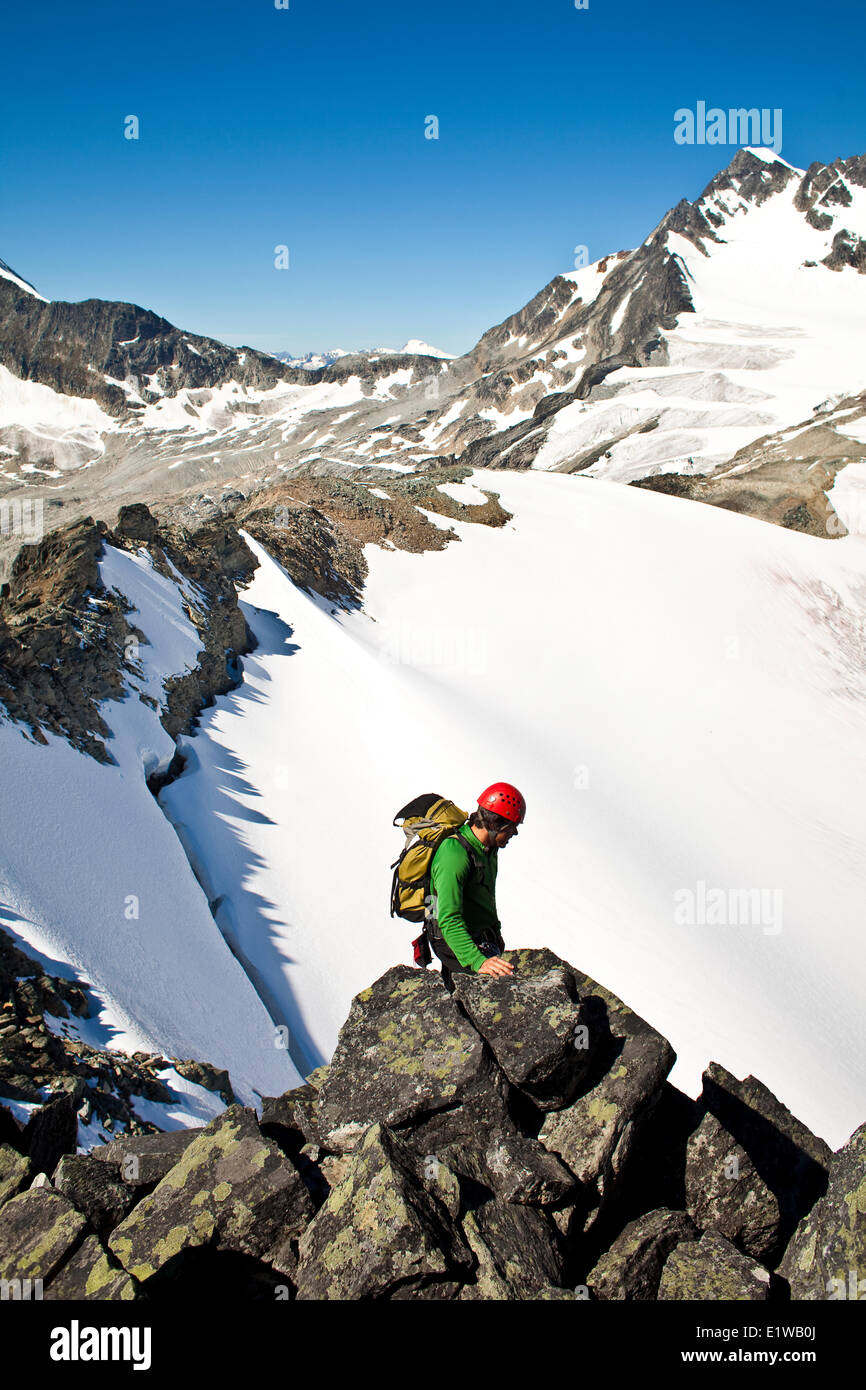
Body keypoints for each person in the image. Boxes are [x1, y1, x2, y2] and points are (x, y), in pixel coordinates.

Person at [427, 782, 525, 991]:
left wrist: (495, 934)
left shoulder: (488, 849)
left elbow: (485, 898)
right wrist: (478, 961)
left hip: (478, 935)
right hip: (452, 940)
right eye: (511, 826)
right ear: (493, 824)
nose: (514, 833)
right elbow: (448, 918)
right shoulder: (454, 854)